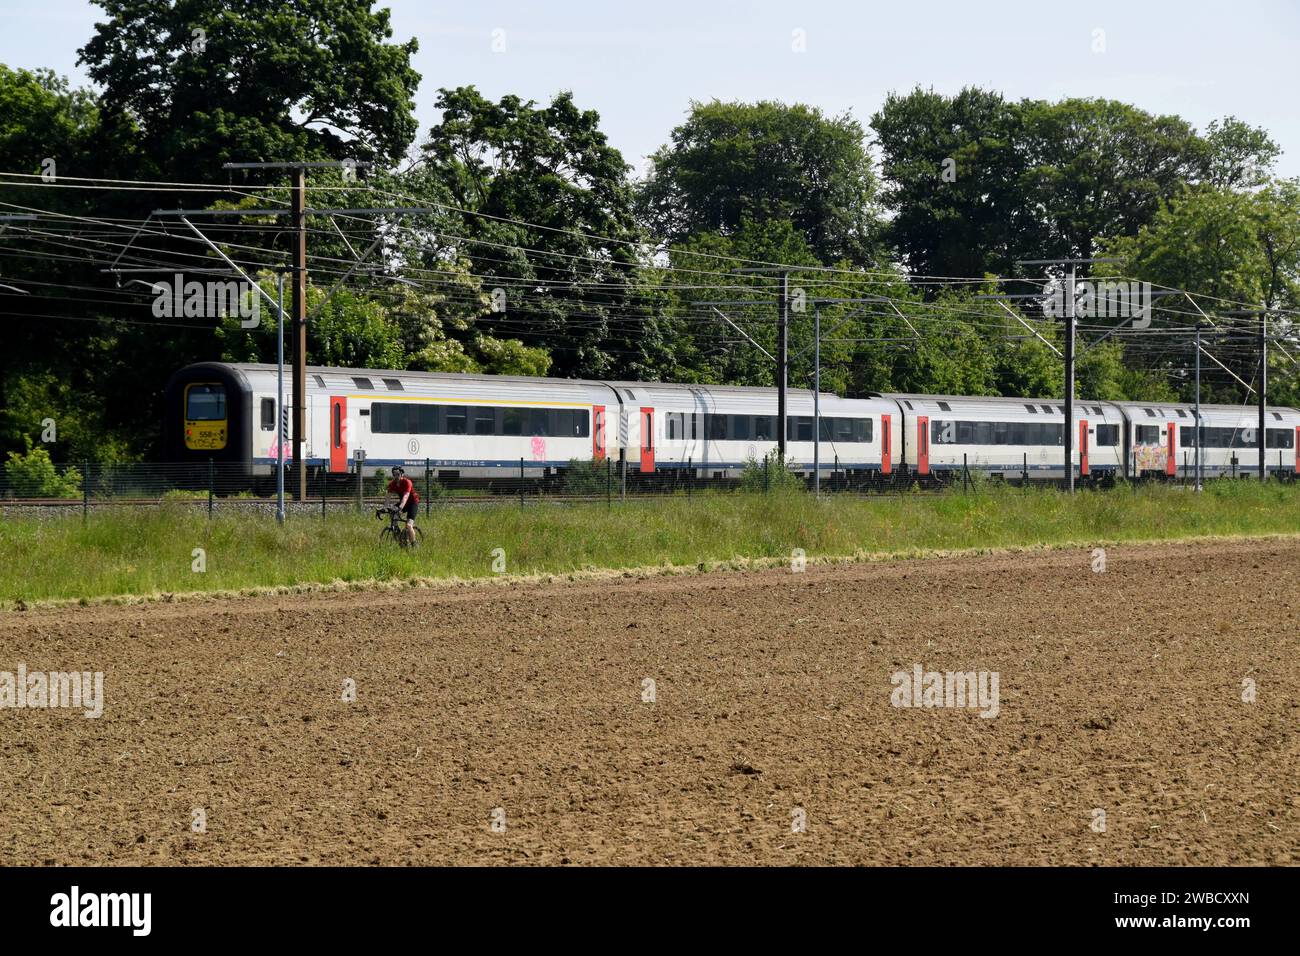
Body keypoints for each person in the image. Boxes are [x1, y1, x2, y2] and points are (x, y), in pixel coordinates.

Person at [385, 466, 420, 545]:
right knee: (392, 514)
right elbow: (388, 497)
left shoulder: (407, 482)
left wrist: (400, 508)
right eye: (394, 474)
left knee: (408, 525)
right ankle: (400, 539)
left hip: (412, 503)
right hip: (403, 503)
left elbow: (405, 497)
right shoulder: (392, 484)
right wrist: (384, 508)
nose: (396, 476)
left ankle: (414, 544)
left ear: (401, 474)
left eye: (397, 474)